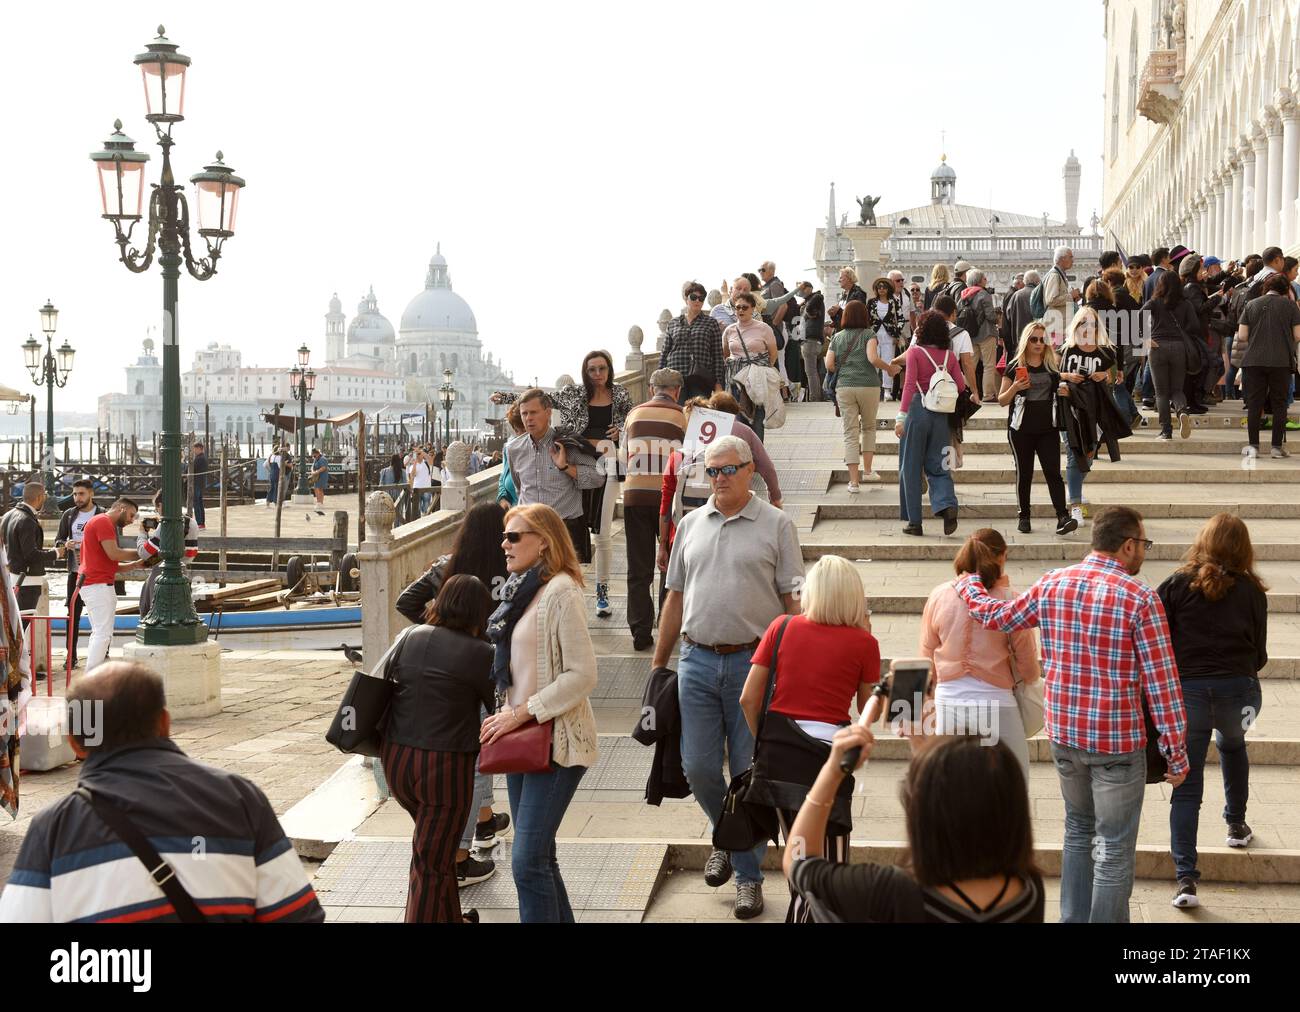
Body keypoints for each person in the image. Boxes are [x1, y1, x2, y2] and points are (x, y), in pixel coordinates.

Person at [955, 505, 1188, 923]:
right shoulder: (1140, 599)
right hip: (1116, 742)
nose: (1144, 552)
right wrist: (1176, 752)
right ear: (1128, 545)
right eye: (1144, 544)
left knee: (1078, 831)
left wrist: (972, 582)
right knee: (1114, 847)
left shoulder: (1054, 583)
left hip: (1065, 736)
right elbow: (1162, 684)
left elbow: (996, 615)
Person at [0, 661, 325, 922]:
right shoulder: (240, 798)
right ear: (165, 724)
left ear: (75, 744)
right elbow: (297, 915)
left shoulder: (53, 828)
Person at [654, 434, 803, 919]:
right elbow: (673, 597)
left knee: (745, 774)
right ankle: (728, 829)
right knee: (697, 766)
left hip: (753, 666)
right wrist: (659, 666)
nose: (716, 479)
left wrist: (795, 667)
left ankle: (748, 876)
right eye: (710, 472)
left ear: (749, 472)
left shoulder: (778, 525)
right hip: (695, 660)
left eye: (726, 470)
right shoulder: (690, 524)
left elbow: (793, 602)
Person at [739, 555, 880, 922]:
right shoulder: (864, 643)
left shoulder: (781, 627)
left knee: (799, 858)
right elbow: (867, 712)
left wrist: (766, 741)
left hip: (780, 762)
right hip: (828, 763)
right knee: (828, 875)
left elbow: (748, 698)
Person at [480, 503, 599, 923]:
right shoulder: (521, 591)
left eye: (515, 536)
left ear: (544, 541)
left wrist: (521, 713)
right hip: (522, 741)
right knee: (540, 859)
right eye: (504, 536)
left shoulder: (561, 591)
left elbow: (583, 675)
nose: (505, 544)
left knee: (527, 861)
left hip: (555, 742)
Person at [783, 734, 1044, 922]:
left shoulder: (890, 890)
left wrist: (832, 771)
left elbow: (799, 860)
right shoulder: (1028, 890)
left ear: (924, 815)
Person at [1155, 514, 1267, 910]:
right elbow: (1261, 655)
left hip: (1188, 695)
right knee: (1234, 746)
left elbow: (1159, 644)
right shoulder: (1253, 590)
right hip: (1240, 693)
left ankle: (1186, 878)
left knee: (1187, 782)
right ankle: (1236, 824)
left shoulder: (1174, 585)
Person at [393, 502, 510, 879]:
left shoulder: (447, 566)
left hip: (451, 670)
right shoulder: (512, 570)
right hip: (493, 666)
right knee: (481, 756)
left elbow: (405, 601)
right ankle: (460, 855)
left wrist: (438, 631)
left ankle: (486, 819)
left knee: (476, 756)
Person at [381, 575, 496, 922]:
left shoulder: (411, 636)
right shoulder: (482, 653)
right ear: (480, 611)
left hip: (397, 761)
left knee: (436, 850)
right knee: (431, 862)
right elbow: (498, 707)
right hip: (442, 767)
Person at [922, 529, 1040, 778]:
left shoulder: (939, 595)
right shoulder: (1010, 600)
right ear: (1002, 557)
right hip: (996, 703)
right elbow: (1029, 668)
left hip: (948, 702)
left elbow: (925, 656)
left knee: (952, 784)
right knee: (1012, 783)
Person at [657, 393, 784, 583]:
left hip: (683, 539)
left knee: (676, 591)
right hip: (731, 530)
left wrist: (663, 545)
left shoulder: (679, 458)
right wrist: (775, 497)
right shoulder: (743, 431)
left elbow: (666, 503)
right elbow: (767, 467)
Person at [553, 351, 634, 618]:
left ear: (609, 369)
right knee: (569, 529)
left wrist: (620, 428)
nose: (597, 374)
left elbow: (631, 421)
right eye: (592, 370)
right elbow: (544, 399)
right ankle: (568, 592)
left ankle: (602, 591)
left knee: (602, 533)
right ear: (585, 372)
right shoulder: (575, 394)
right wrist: (505, 397)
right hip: (577, 462)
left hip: (609, 465)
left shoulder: (620, 393)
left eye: (602, 368)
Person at [504, 388, 604, 567]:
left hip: (564, 529)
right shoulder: (514, 448)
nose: (528, 418)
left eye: (533, 412)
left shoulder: (567, 444)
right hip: (529, 530)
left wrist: (566, 467)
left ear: (548, 412)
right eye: (524, 413)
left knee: (565, 587)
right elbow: (520, 487)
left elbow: (598, 477)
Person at [622, 368, 685, 652]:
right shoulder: (684, 417)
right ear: (678, 391)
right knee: (669, 564)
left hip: (635, 496)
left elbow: (623, 457)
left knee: (639, 567)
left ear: (651, 389)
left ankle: (639, 631)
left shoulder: (634, 414)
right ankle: (665, 624)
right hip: (667, 499)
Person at [999, 322, 1076, 535]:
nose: (1039, 344)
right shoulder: (1014, 366)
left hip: (1048, 428)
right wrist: (1015, 387)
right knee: (1024, 474)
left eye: (1042, 339)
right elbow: (1002, 400)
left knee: (1053, 473)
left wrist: (1065, 393)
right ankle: (1024, 515)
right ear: (1026, 341)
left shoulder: (1052, 366)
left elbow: (1062, 390)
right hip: (1020, 429)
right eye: (1034, 339)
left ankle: (1063, 516)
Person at [896, 310, 965, 537]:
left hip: (917, 410)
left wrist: (901, 417)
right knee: (939, 465)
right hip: (941, 415)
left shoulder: (915, 352)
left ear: (922, 329)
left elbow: (908, 386)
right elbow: (961, 387)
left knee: (910, 466)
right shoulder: (950, 356)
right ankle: (947, 504)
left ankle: (915, 522)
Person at [1059, 306, 1118, 526]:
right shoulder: (1066, 349)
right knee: (1075, 454)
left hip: (1095, 411)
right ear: (1076, 325)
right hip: (1070, 409)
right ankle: (1075, 505)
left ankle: (1074, 488)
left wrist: (1104, 375)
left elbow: (1113, 379)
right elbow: (1051, 374)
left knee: (1090, 455)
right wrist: (1065, 376)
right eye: (1083, 322)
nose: (1088, 327)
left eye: (1092, 323)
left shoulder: (1106, 352)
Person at [827, 299, 893, 491]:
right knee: (869, 427)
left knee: (850, 432)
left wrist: (845, 369)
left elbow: (829, 365)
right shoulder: (869, 334)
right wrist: (889, 368)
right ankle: (869, 470)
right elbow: (873, 358)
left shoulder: (837, 337)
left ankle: (854, 482)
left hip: (845, 387)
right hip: (869, 386)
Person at [1238, 271, 1300, 458]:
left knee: (1255, 404)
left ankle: (1253, 447)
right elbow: (1298, 335)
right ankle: (1276, 447)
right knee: (1279, 404)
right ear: (1285, 290)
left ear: (1266, 288)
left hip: (1254, 361)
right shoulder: (1291, 306)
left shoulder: (1251, 304)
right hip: (1281, 361)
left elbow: (1242, 336)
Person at [78, 498, 143, 672]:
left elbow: (109, 563)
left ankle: (92, 673)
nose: (131, 520)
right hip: (97, 585)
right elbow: (114, 554)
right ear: (121, 508)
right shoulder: (104, 522)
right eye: (131, 515)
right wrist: (145, 552)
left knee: (100, 633)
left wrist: (136, 564)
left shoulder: (100, 522)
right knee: (103, 634)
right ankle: (92, 676)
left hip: (95, 582)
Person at [1143, 269, 1198, 441]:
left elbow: (1137, 316)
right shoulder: (1186, 303)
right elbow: (1194, 325)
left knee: (1161, 392)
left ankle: (1166, 431)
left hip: (1157, 346)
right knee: (1176, 389)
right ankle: (1182, 411)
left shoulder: (1155, 301)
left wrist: (1144, 337)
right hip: (1179, 347)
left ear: (1161, 284)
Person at [55, 480, 104, 670]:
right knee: (72, 614)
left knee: (99, 616)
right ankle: (71, 656)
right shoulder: (68, 515)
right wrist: (64, 544)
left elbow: (111, 543)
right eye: (75, 494)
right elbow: (59, 540)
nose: (77, 498)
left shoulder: (101, 515)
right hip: (75, 572)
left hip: (96, 573)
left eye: (81, 494)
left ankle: (101, 653)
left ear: (91, 493)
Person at [723, 291, 780, 440]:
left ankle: (758, 456)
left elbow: (773, 354)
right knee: (738, 419)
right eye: (737, 307)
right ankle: (742, 457)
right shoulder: (729, 331)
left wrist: (761, 370)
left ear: (753, 308)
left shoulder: (764, 328)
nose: (740, 310)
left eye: (744, 307)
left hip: (757, 379)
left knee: (757, 420)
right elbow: (725, 354)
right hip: (736, 381)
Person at [2, 483, 62, 613]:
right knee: (24, 621)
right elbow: (31, 555)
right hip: (27, 578)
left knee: (14, 622)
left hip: (12, 574)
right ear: (40, 497)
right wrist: (56, 553)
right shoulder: (27, 520)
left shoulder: (8, 515)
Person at [662, 281, 725, 403]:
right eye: (693, 297)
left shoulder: (711, 323)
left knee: (698, 416)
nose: (697, 301)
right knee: (678, 415)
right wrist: (658, 380)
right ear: (686, 299)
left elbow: (717, 355)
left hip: (701, 379)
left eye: (701, 298)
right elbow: (664, 353)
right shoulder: (673, 323)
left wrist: (718, 383)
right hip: (675, 378)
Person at [958, 268, 1001, 400]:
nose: (986, 281)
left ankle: (962, 389)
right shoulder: (983, 294)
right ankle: (988, 394)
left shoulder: (963, 295)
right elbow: (990, 316)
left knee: (970, 365)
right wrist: (997, 316)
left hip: (970, 335)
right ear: (978, 281)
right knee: (988, 365)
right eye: (984, 278)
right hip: (986, 334)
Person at [866, 277, 905, 401]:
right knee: (874, 361)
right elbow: (867, 319)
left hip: (889, 336)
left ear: (888, 289)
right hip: (874, 336)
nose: (881, 289)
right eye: (879, 287)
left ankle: (887, 390)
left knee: (888, 361)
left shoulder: (894, 302)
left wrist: (896, 334)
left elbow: (901, 319)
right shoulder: (871, 302)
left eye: (884, 287)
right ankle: (873, 388)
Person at [797, 282, 826, 400]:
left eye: (802, 288)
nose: (800, 291)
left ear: (809, 288)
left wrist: (808, 311)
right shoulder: (812, 300)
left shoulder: (816, 297)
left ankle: (815, 398)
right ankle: (815, 396)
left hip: (811, 339)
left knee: (811, 372)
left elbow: (810, 309)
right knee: (812, 371)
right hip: (811, 339)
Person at [1003, 270, 1041, 359]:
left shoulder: (1016, 295)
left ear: (1025, 281)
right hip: (1036, 336)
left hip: (1018, 337)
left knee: (1021, 362)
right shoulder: (1039, 294)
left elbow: (1008, 316)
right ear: (1037, 281)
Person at [1043, 246, 1077, 343]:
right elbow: (1051, 300)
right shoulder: (1054, 275)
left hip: (1060, 328)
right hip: (1056, 328)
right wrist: (1071, 295)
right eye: (1070, 257)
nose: (1073, 260)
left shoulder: (1059, 275)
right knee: (1055, 357)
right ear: (1062, 258)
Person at [495, 403, 525, 508]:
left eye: (524, 430)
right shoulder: (510, 448)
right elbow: (503, 477)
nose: (521, 435)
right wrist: (502, 498)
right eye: (517, 430)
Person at [409, 447, 435, 515]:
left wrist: (421, 452)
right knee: (417, 510)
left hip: (427, 488)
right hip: (417, 489)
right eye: (416, 454)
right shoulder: (412, 466)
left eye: (419, 454)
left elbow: (431, 461)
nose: (418, 455)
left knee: (426, 510)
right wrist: (415, 461)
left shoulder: (426, 463)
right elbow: (412, 475)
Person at [190, 442, 207, 529]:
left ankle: (199, 522)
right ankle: (201, 523)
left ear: (200, 448)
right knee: (199, 503)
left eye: (195, 449)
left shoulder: (199, 458)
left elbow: (192, 468)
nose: (194, 451)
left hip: (197, 483)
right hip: (200, 483)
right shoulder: (202, 458)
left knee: (197, 503)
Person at [309, 447, 329, 514]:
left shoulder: (323, 459)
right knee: (316, 488)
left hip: (322, 475)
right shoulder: (316, 459)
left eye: (313, 454)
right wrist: (312, 471)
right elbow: (312, 466)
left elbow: (324, 467)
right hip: (316, 476)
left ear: (317, 453)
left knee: (319, 488)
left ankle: (320, 502)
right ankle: (319, 502)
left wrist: (316, 472)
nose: (313, 456)